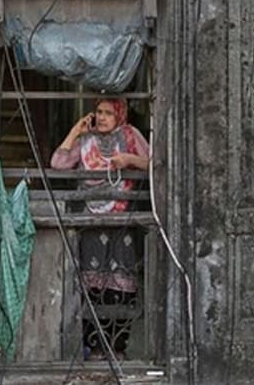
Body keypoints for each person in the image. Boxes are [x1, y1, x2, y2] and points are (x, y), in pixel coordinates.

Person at [51, 98, 150, 360]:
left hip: (122, 223)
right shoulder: (86, 140)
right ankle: (95, 348)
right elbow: (58, 165)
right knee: (93, 284)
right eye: (99, 112)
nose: (103, 117)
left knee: (120, 286)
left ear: (119, 115)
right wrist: (75, 132)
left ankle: (117, 348)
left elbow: (155, 164)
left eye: (108, 112)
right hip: (91, 223)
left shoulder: (130, 135)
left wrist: (128, 159)